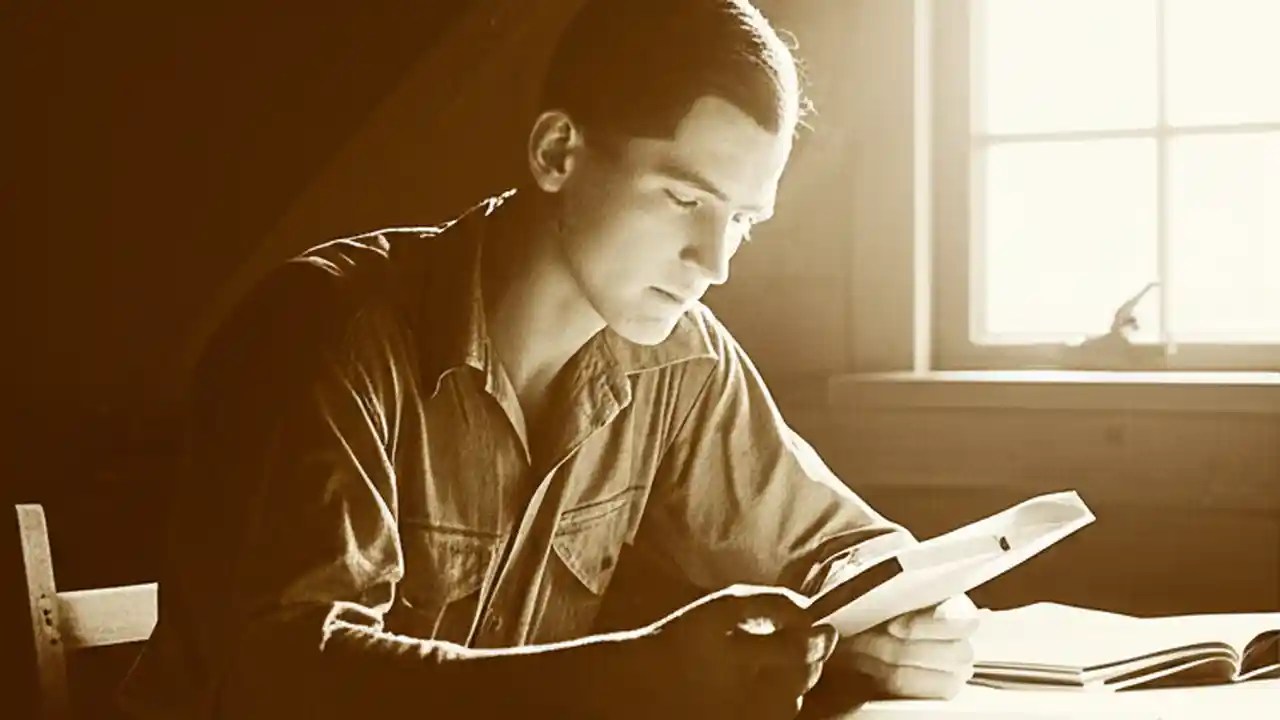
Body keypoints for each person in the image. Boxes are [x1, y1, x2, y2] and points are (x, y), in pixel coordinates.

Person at [118, 1, 977, 718]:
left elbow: (842, 550)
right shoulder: (322, 331)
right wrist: (628, 678)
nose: (714, 262)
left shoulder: (680, 361)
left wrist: (907, 621)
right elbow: (287, 676)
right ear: (556, 152)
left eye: (744, 220)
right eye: (684, 198)